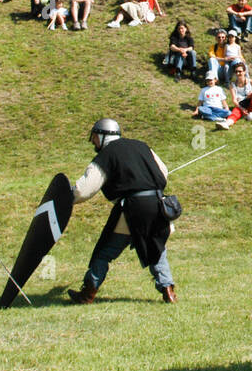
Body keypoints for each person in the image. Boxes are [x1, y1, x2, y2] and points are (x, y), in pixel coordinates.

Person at [66, 119, 178, 305]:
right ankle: (168, 291)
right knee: (156, 249)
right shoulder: (141, 146)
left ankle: (88, 293)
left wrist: (68, 198)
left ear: (103, 135)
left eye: (94, 137)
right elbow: (163, 172)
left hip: (133, 208)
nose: (93, 142)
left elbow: (84, 190)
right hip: (158, 205)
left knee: (104, 251)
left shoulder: (107, 154)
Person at [216, 63, 252, 129]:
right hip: (242, 104)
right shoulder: (232, 85)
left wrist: (250, 95)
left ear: (244, 72)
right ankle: (226, 124)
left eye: (240, 71)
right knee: (235, 112)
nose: (238, 73)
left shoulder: (251, 82)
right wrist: (241, 108)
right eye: (236, 72)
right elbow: (234, 100)